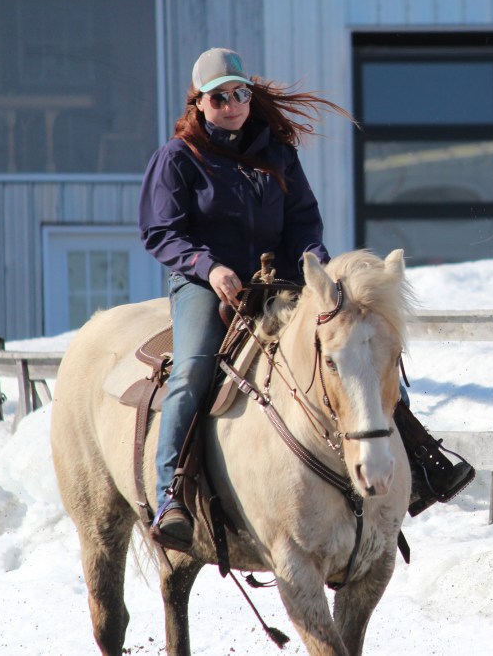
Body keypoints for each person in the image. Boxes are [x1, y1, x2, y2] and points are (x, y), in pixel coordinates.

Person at [139, 48, 473, 552]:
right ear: (199, 102)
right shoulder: (179, 157)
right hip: (208, 283)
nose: (231, 104)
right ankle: (171, 493)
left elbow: (303, 224)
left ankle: (422, 466)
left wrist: (319, 267)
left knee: (355, 353)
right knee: (192, 370)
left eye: (240, 94)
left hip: (282, 281)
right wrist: (210, 268)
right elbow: (160, 232)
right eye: (219, 97)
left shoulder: (277, 153)